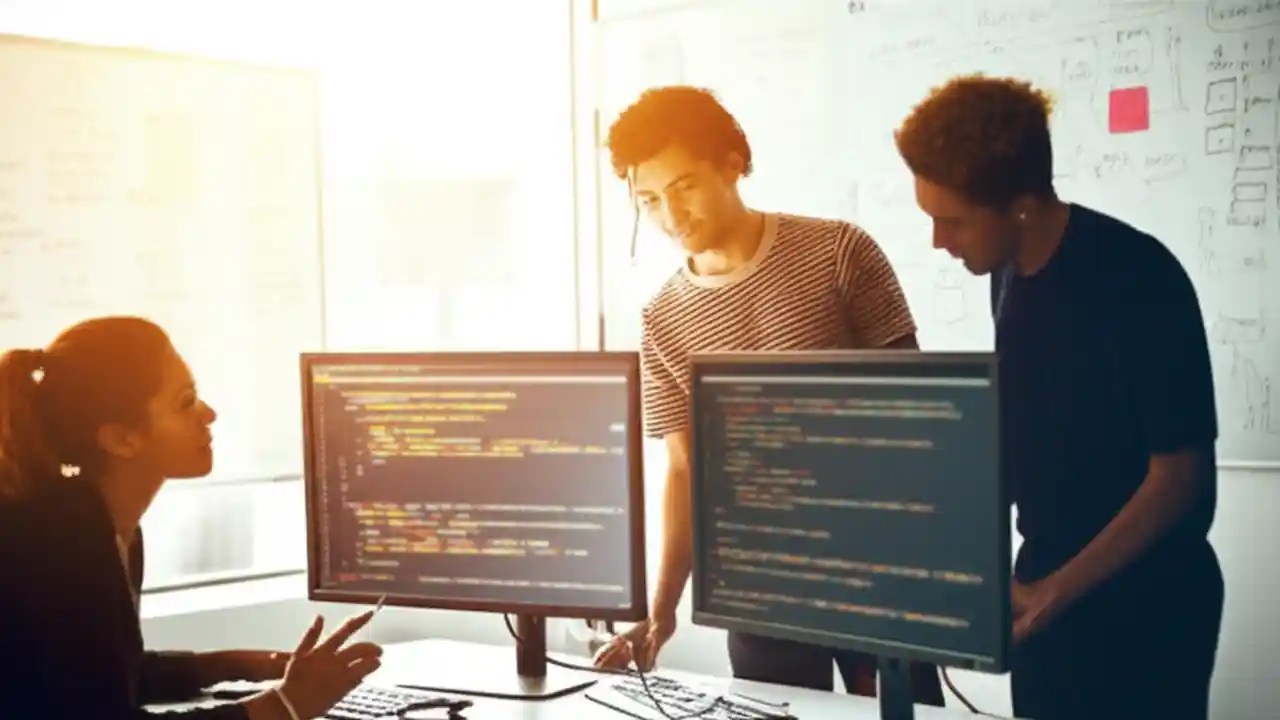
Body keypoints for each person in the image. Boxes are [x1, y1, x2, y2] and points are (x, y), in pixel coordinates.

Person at [591, 85, 945, 705]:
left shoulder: (839, 252)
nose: (671, 217)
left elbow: (920, 412)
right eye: (649, 200)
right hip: (760, 588)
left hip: (874, 570)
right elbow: (686, 470)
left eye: (684, 187)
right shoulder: (662, 317)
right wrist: (661, 610)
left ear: (732, 164)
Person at [894, 75, 1224, 719]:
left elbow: (1181, 480)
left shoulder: (1139, 277)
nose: (938, 242)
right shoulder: (1007, 274)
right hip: (1046, 588)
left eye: (952, 221)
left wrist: (1055, 591)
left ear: (1020, 206)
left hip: (1149, 608)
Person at [0, 316, 384, 719]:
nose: (209, 414)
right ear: (122, 438)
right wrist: (286, 705)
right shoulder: (60, 545)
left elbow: (101, 679)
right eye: (185, 402)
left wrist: (246, 665)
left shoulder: (102, 525)